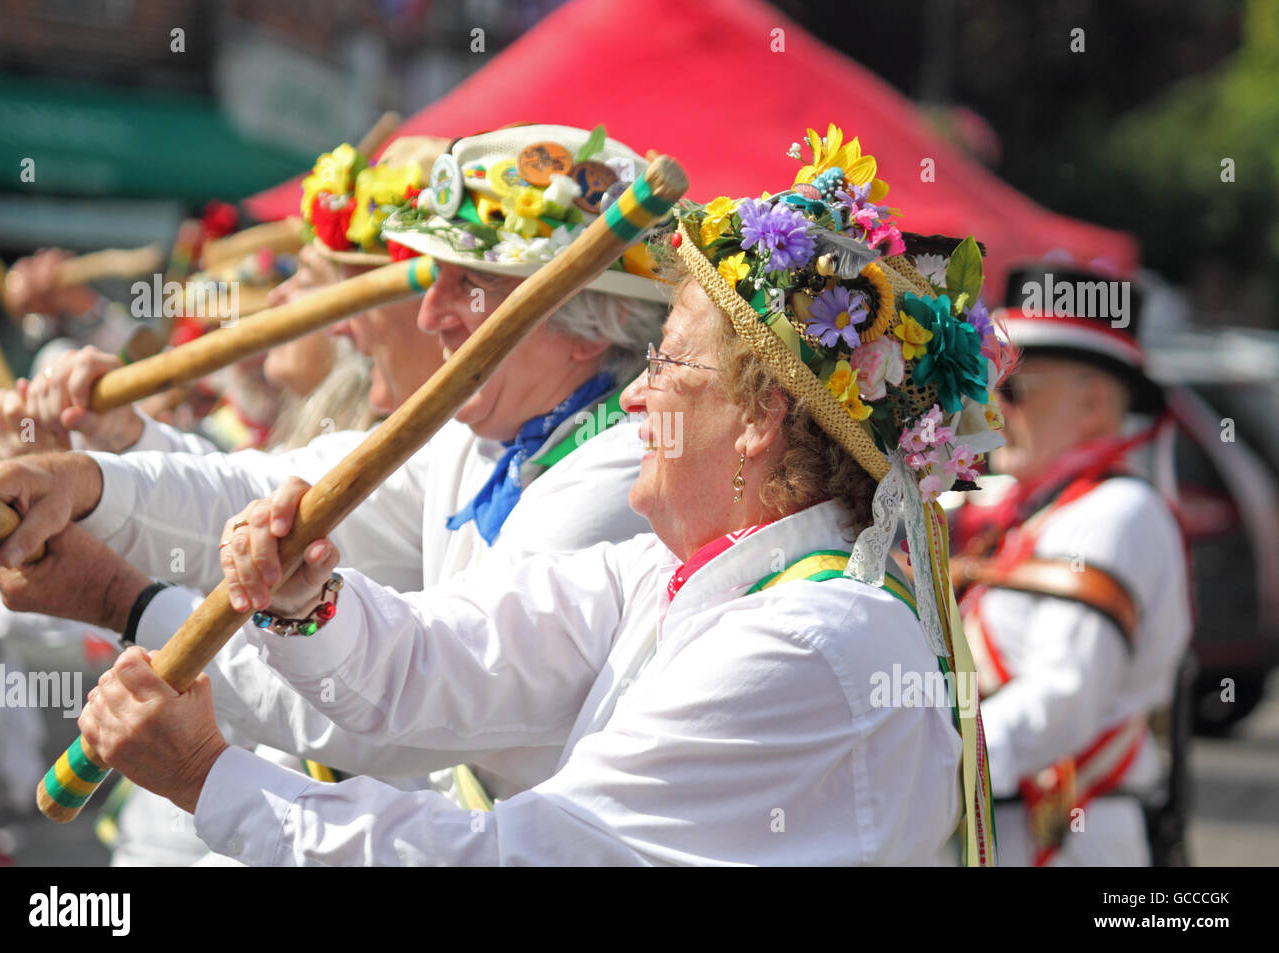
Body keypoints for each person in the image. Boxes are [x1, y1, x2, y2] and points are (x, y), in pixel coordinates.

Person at [68, 125, 1004, 865]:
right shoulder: (678, 575)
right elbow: (440, 663)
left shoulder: (807, 640)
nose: (636, 395)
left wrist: (208, 781)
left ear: (759, 419)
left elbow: (510, 859)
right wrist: (305, 603)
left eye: (668, 361)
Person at [0, 123, 670, 804]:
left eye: (467, 286)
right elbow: (262, 493)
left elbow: (411, 706)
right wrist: (84, 483)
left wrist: (119, 599)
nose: (430, 315)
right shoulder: (489, 433)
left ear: (583, 330)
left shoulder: (625, 477)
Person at [949, 263, 1191, 866]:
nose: (991, 408)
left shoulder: (1119, 512)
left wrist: (921, 765)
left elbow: (1061, 702)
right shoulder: (1012, 507)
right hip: (998, 821)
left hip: (1069, 841)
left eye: (1013, 390)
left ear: (1093, 404)